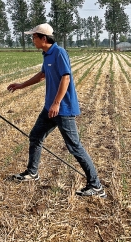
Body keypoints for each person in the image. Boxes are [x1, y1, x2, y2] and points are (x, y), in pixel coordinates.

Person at [7, 23, 106, 198]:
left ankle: (96, 185)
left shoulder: (59, 53)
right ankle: (32, 172)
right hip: (50, 109)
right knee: (35, 136)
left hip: (63, 109)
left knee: (74, 146)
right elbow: (42, 75)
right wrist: (21, 85)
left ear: (43, 38)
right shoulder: (46, 55)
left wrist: (57, 103)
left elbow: (65, 78)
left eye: (34, 37)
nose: (32, 40)